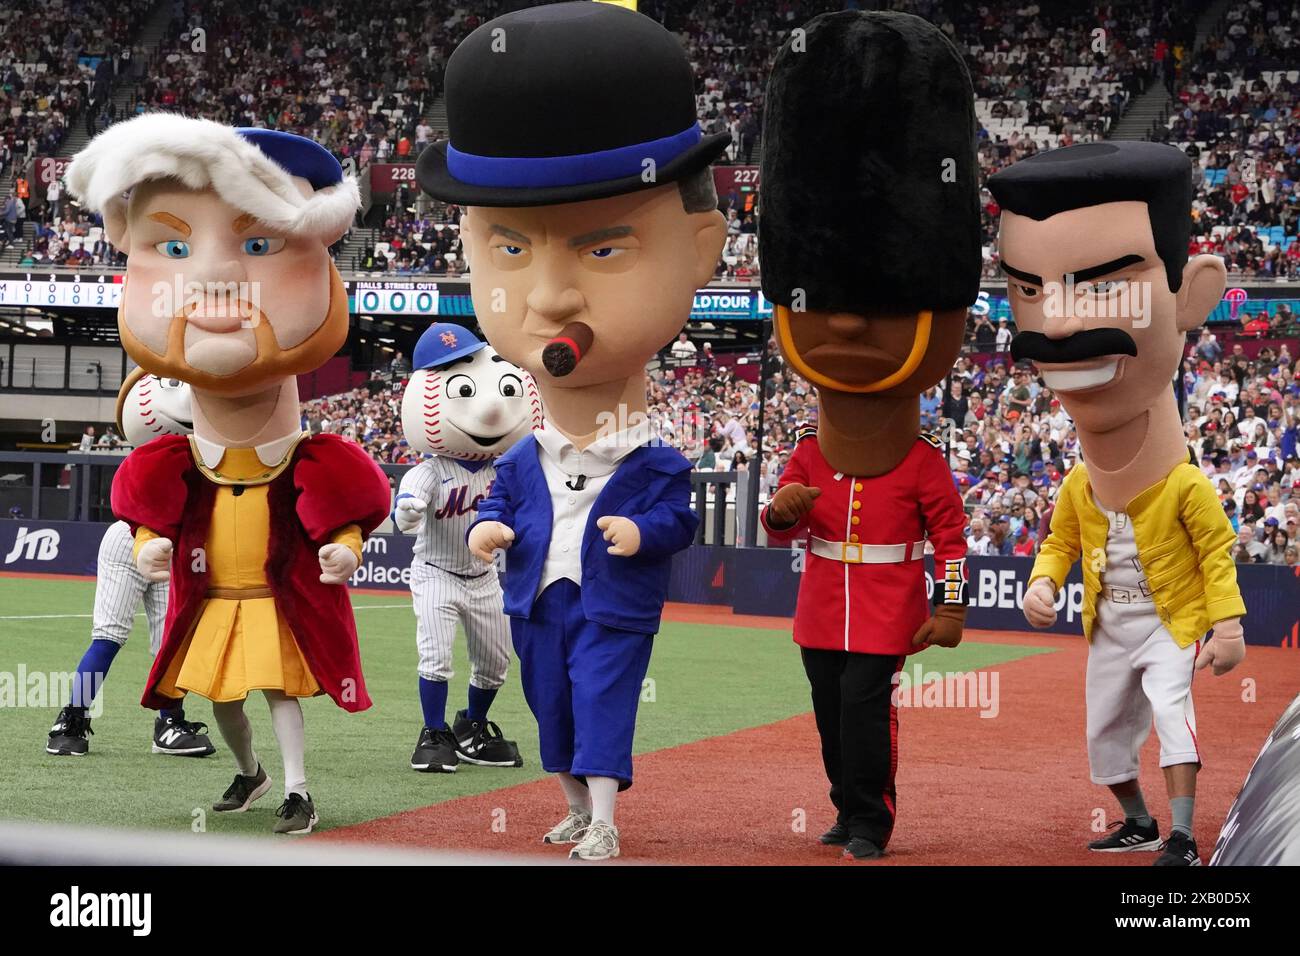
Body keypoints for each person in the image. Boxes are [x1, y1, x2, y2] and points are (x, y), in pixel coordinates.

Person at [425, 3, 716, 861]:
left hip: (614, 604)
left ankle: (608, 823)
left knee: (601, 704)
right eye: (509, 251)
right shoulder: (524, 453)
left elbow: (679, 524)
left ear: (703, 249)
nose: (548, 299)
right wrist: (486, 528)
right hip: (536, 599)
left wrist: (640, 530)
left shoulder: (655, 458)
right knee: (548, 705)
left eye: (599, 251)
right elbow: (496, 507)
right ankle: (574, 810)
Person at [68, 115, 392, 835]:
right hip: (212, 594)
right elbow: (153, 513)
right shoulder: (169, 461)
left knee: (279, 688)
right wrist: (150, 543)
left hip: (271, 593)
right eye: (175, 247)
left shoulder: (314, 460)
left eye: (257, 243)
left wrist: (349, 549)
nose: (213, 275)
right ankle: (251, 773)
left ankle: (299, 788)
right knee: (219, 698)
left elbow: (341, 512)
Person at [758, 10, 977, 861]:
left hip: (888, 608)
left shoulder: (922, 461)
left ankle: (872, 820)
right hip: (822, 603)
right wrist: (783, 508)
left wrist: (951, 604)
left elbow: (948, 535)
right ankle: (843, 808)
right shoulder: (812, 451)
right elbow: (782, 521)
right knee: (825, 712)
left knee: (863, 712)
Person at [993, 140, 1246, 867]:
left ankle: (1184, 835)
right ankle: (1137, 818)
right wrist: (1043, 579)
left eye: (1102, 286)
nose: (1057, 325)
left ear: (1188, 294)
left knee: (1173, 712)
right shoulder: (1077, 484)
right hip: (1109, 619)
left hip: (1173, 617)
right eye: (1030, 290)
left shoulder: (1187, 484)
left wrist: (1226, 624)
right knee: (1104, 731)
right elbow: (1060, 541)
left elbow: (1216, 552)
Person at [393, 323, 539, 773]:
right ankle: (433, 731)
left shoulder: (507, 466)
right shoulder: (432, 469)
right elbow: (404, 511)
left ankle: (471, 726)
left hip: (484, 577)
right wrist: (409, 514)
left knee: (496, 662)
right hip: (436, 571)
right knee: (436, 654)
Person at [47, 371, 213, 758]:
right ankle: (71, 718)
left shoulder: (205, 453)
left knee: (170, 642)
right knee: (108, 637)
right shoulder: (150, 455)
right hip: (129, 539)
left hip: (176, 545)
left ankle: (169, 722)